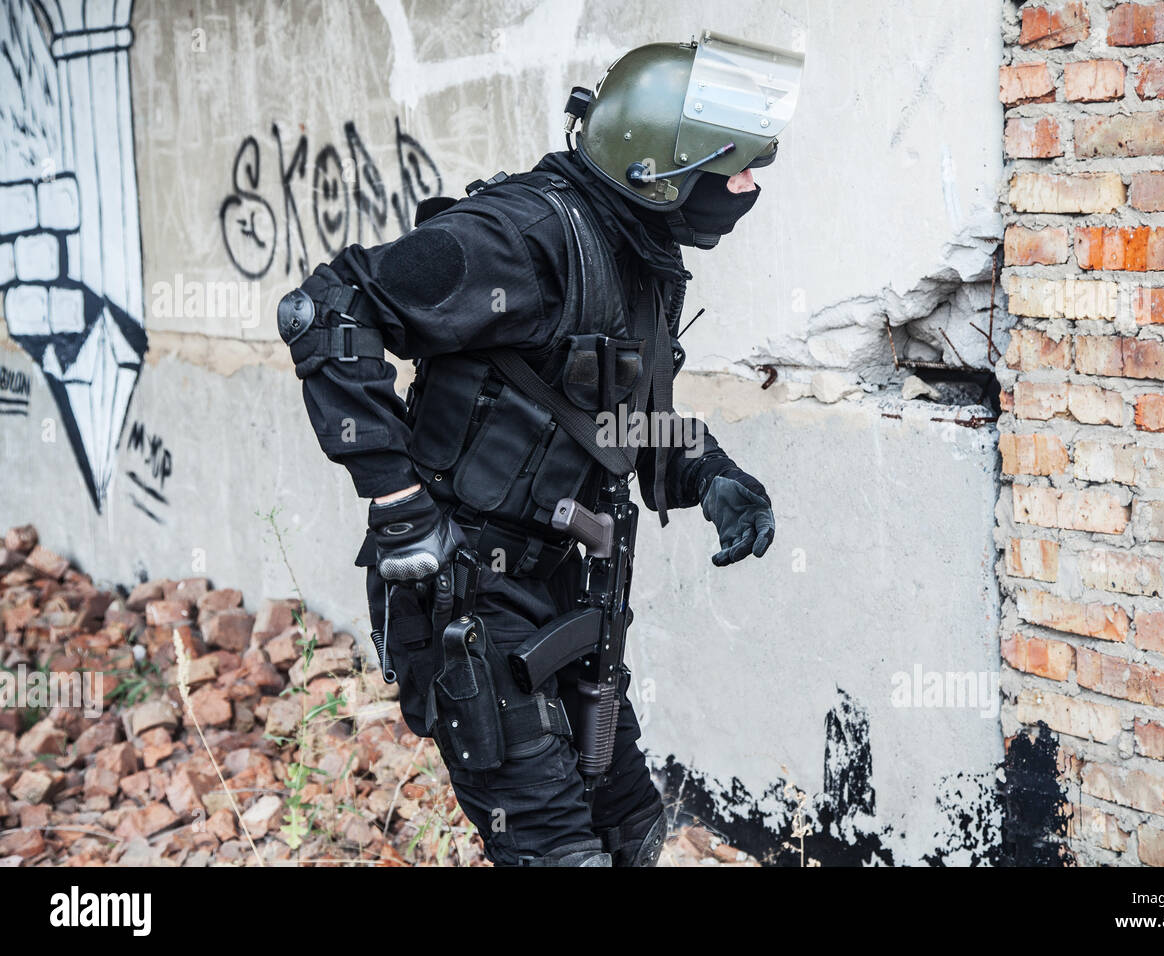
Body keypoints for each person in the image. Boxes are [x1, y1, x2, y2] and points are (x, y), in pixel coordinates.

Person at [277, 30, 803, 866]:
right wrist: (397, 505)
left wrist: (709, 474)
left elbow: (606, 413)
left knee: (630, 826)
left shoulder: (635, 251)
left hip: (566, 598)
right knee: (556, 850)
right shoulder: (522, 236)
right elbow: (329, 308)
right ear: (658, 172)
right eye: (732, 169)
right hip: (468, 600)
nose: (747, 186)